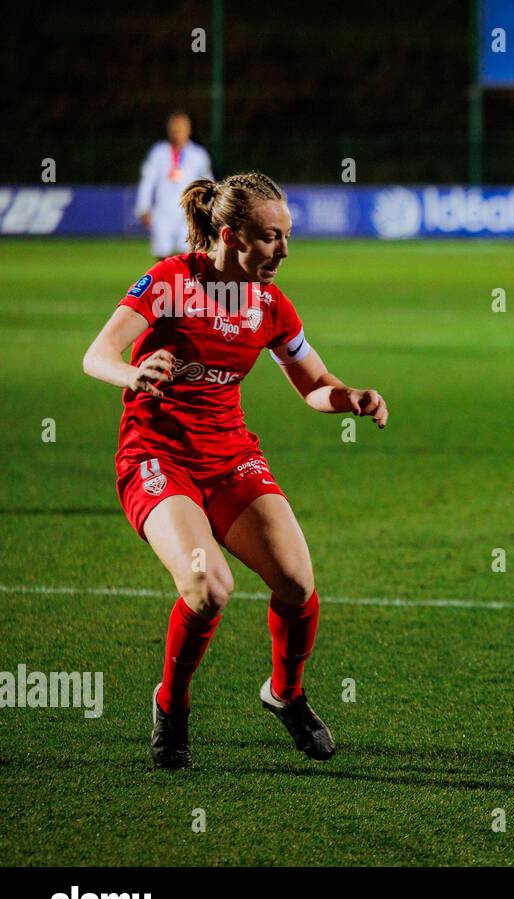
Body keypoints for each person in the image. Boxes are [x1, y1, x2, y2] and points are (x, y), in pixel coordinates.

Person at [82, 171, 389, 769]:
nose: (283, 251)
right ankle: (171, 705)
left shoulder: (270, 305)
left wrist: (350, 396)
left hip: (231, 457)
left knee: (297, 583)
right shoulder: (171, 282)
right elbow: (98, 354)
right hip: (157, 457)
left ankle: (285, 694)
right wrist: (133, 375)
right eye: (270, 237)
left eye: (287, 236)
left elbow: (315, 385)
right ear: (229, 235)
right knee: (208, 587)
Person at [134, 111, 214, 259]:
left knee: (188, 254)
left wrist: (209, 208)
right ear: (169, 130)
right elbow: (147, 181)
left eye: (181, 128)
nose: (177, 132)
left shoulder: (198, 155)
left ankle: (181, 282)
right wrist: (143, 207)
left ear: (189, 130)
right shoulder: (158, 153)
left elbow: (208, 184)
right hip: (163, 212)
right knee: (162, 255)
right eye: (174, 128)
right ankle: (165, 282)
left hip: (188, 212)